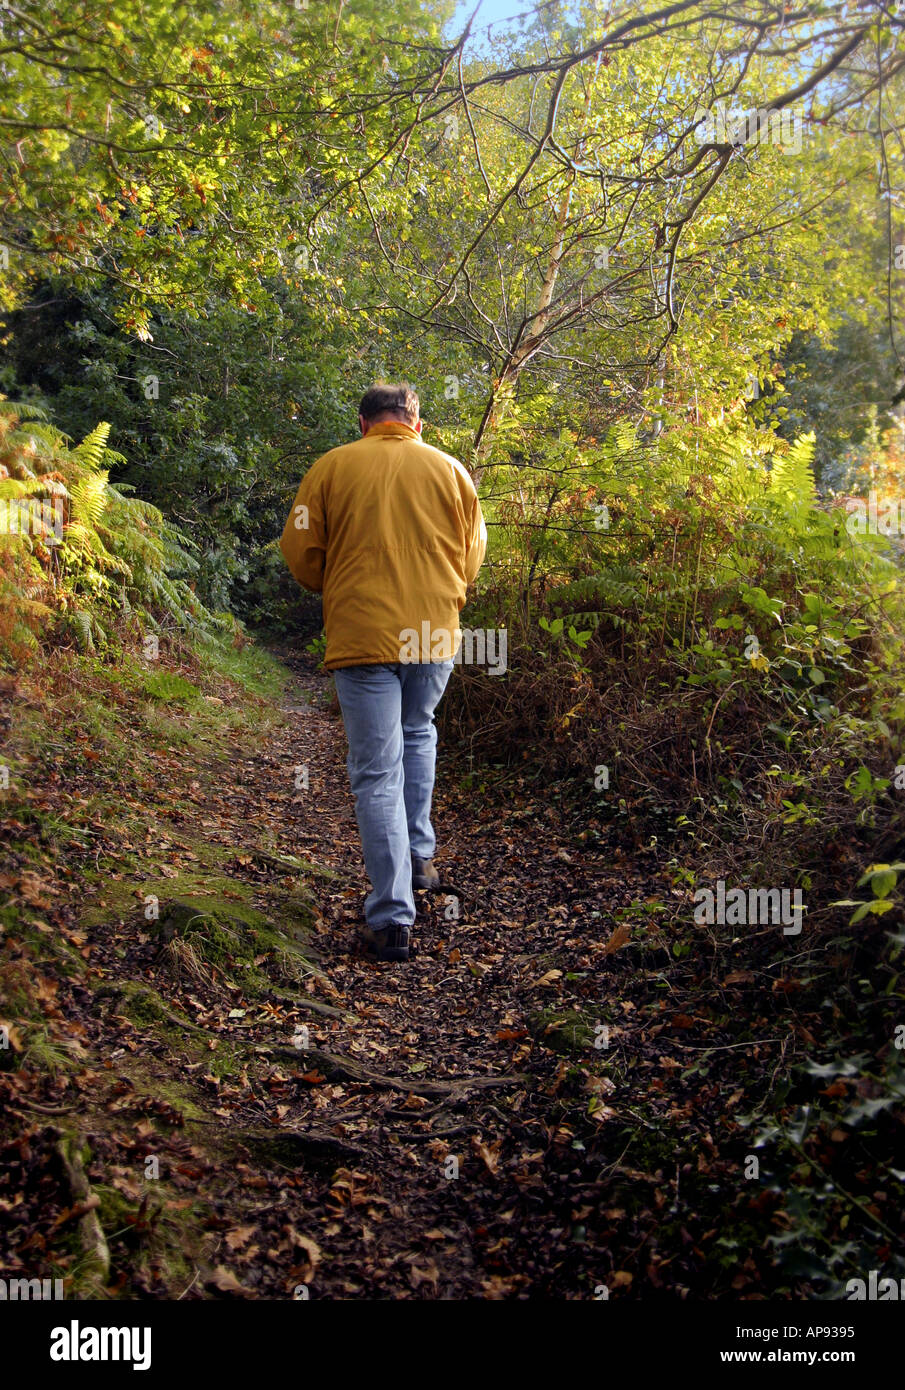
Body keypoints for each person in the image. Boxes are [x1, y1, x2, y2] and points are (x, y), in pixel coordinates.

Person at [280, 381, 487, 962]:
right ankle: (420, 862)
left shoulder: (331, 467)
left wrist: (334, 584)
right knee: (419, 732)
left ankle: (393, 918)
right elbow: (471, 557)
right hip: (433, 633)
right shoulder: (452, 472)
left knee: (376, 772)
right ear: (416, 423)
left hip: (363, 632)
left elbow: (301, 550)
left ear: (365, 422)